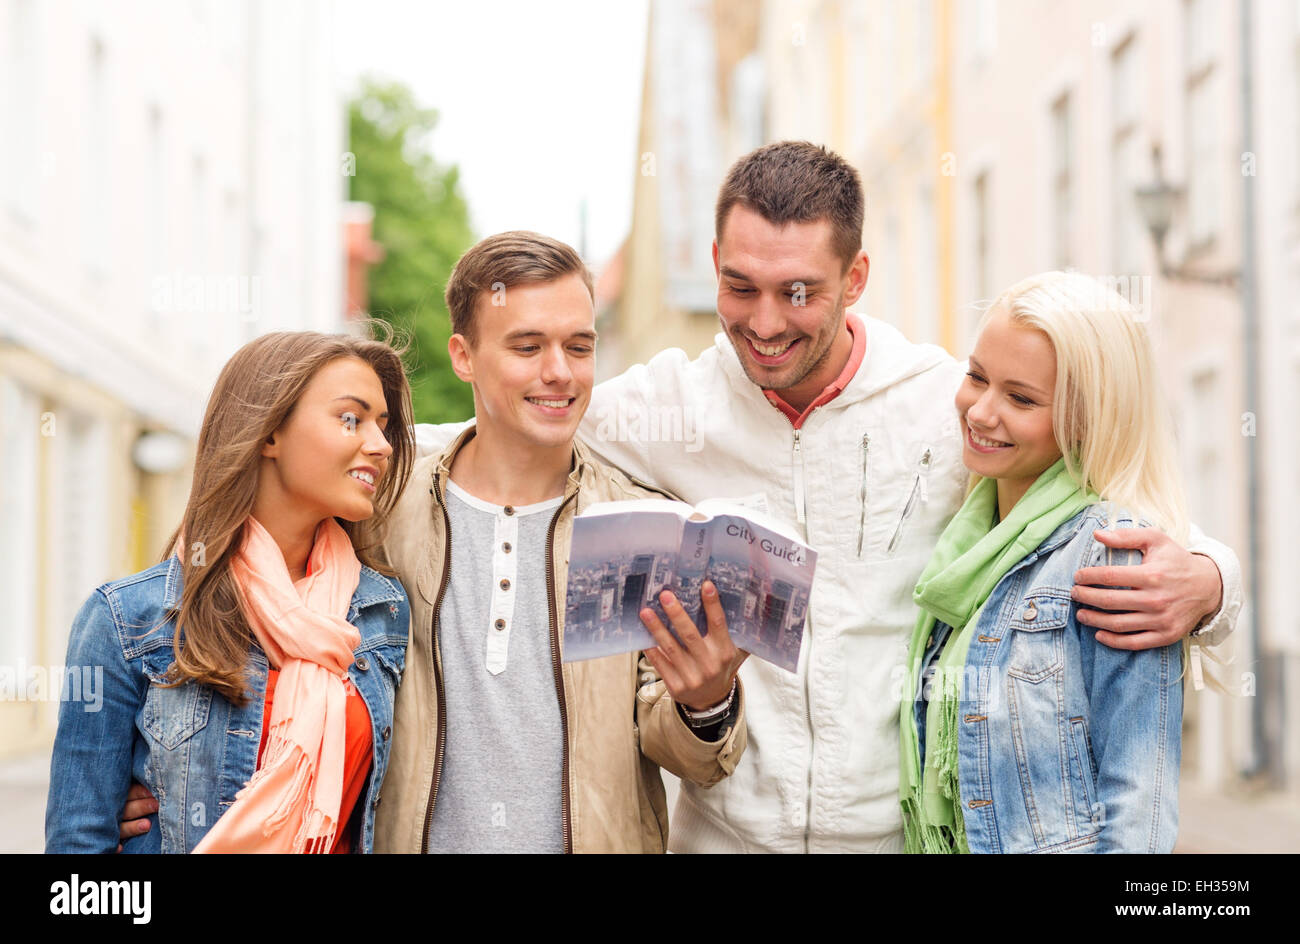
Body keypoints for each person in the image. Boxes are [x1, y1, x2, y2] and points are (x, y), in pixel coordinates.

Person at [568, 142, 1241, 852]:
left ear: (855, 276)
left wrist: (1212, 579)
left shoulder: (949, 404)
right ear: (714, 263)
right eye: (741, 287)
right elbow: (511, 429)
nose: (765, 323)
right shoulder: (665, 407)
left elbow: (1116, 508)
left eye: (798, 292)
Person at [372, 231, 747, 853]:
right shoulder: (384, 512)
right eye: (527, 346)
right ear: (463, 356)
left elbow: (692, 759)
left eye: (579, 346)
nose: (559, 372)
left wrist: (706, 703)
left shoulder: (643, 528)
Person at [46, 330, 416, 853]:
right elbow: (78, 845)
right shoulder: (130, 618)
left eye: (384, 425)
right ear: (269, 434)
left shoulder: (382, 611)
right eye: (351, 419)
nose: (380, 445)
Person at [900, 272, 1189, 853]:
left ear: (1085, 418)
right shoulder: (964, 540)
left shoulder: (1118, 554)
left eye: (1021, 398)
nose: (980, 412)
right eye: (977, 377)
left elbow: (1141, 810)